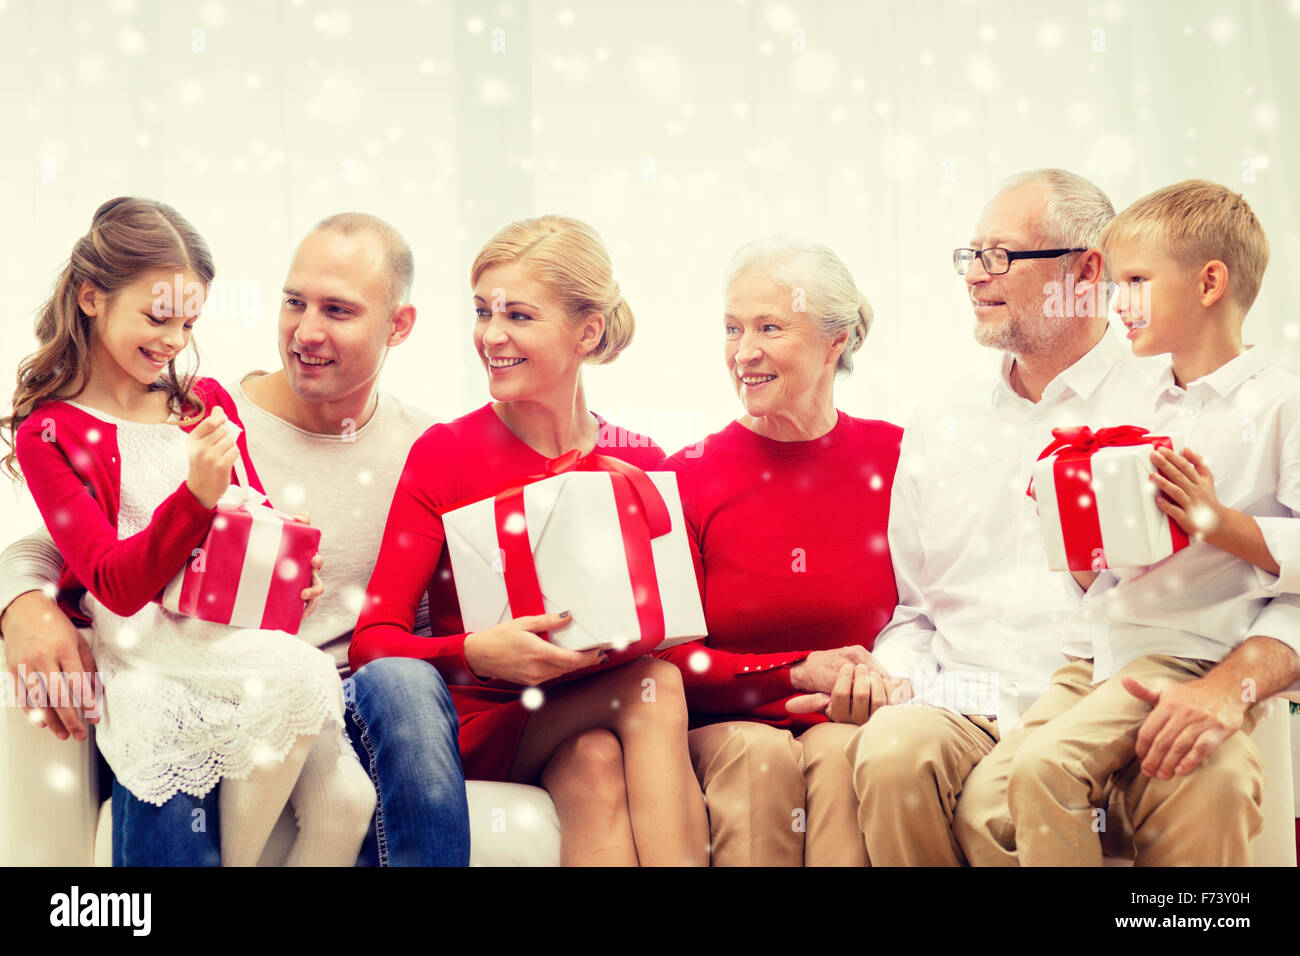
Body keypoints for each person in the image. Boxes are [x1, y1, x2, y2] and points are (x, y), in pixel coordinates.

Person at [0, 210, 471, 866]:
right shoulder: (200, 408)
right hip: (176, 653)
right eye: (293, 302)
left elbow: (261, 519)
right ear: (91, 298)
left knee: (368, 752)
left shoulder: (429, 447)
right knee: (174, 728)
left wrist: (289, 558)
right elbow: (70, 549)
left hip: (323, 683)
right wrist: (18, 603)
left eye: (338, 309)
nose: (306, 332)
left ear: (399, 325)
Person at [957, 180, 1300, 866]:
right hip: (1100, 653)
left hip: (1182, 652)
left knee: (1044, 772)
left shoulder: (1278, 403)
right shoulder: (1145, 404)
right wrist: (1076, 525)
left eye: (1135, 282)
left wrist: (1217, 521)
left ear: (1209, 283)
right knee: (984, 812)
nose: (1118, 305)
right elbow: (1117, 570)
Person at [350, 214, 710, 866]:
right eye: (483, 311)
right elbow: (373, 644)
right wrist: (478, 654)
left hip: (582, 719)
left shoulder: (638, 462)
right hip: (477, 719)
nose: (491, 335)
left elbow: (678, 637)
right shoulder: (447, 453)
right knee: (651, 687)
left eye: (518, 315)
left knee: (597, 761)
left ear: (588, 330)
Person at [654, 238, 905, 865]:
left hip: (851, 722)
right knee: (758, 759)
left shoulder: (899, 458)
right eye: (733, 328)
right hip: (732, 731)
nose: (744, 352)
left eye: (770, 327)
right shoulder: (686, 475)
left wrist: (883, 686)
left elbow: (940, 614)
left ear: (834, 342)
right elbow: (668, 664)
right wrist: (795, 673)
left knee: (845, 752)